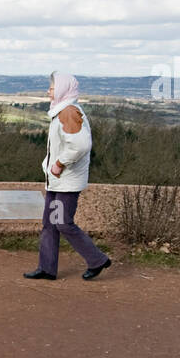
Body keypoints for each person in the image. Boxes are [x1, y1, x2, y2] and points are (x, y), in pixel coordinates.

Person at [24, 71, 112, 281]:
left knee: (62, 222)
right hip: (57, 181)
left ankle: (97, 260)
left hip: (66, 181)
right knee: (50, 223)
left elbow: (81, 145)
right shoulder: (61, 110)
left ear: (62, 89)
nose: (48, 91)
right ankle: (47, 268)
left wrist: (59, 164)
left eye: (52, 88)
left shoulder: (69, 112)